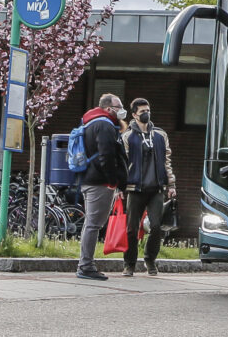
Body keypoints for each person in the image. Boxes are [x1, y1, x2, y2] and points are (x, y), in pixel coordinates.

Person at [74, 92, 129, 282]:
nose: (122, 111)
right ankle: (86, 266)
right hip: (100, 182)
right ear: (108, 108)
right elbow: (107, 156)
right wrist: (113, 181)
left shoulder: (91, 122)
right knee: (93, 224)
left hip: (90, 179)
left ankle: (85, 264)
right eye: (119, 107)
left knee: (91, 223)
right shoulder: (104, 125)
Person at [122, 98, 179, 277]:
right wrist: (119, 187)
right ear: (134, 115)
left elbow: (167, 161)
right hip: (135, 188)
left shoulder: (160, 135)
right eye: (142, 112)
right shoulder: (128, 137)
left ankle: (150, 259)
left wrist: (171, 184)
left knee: (156, 226)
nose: (146, 114)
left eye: (148, 110)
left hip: (156, 188)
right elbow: (123, 164)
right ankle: (129, 264)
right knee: (131, 229)